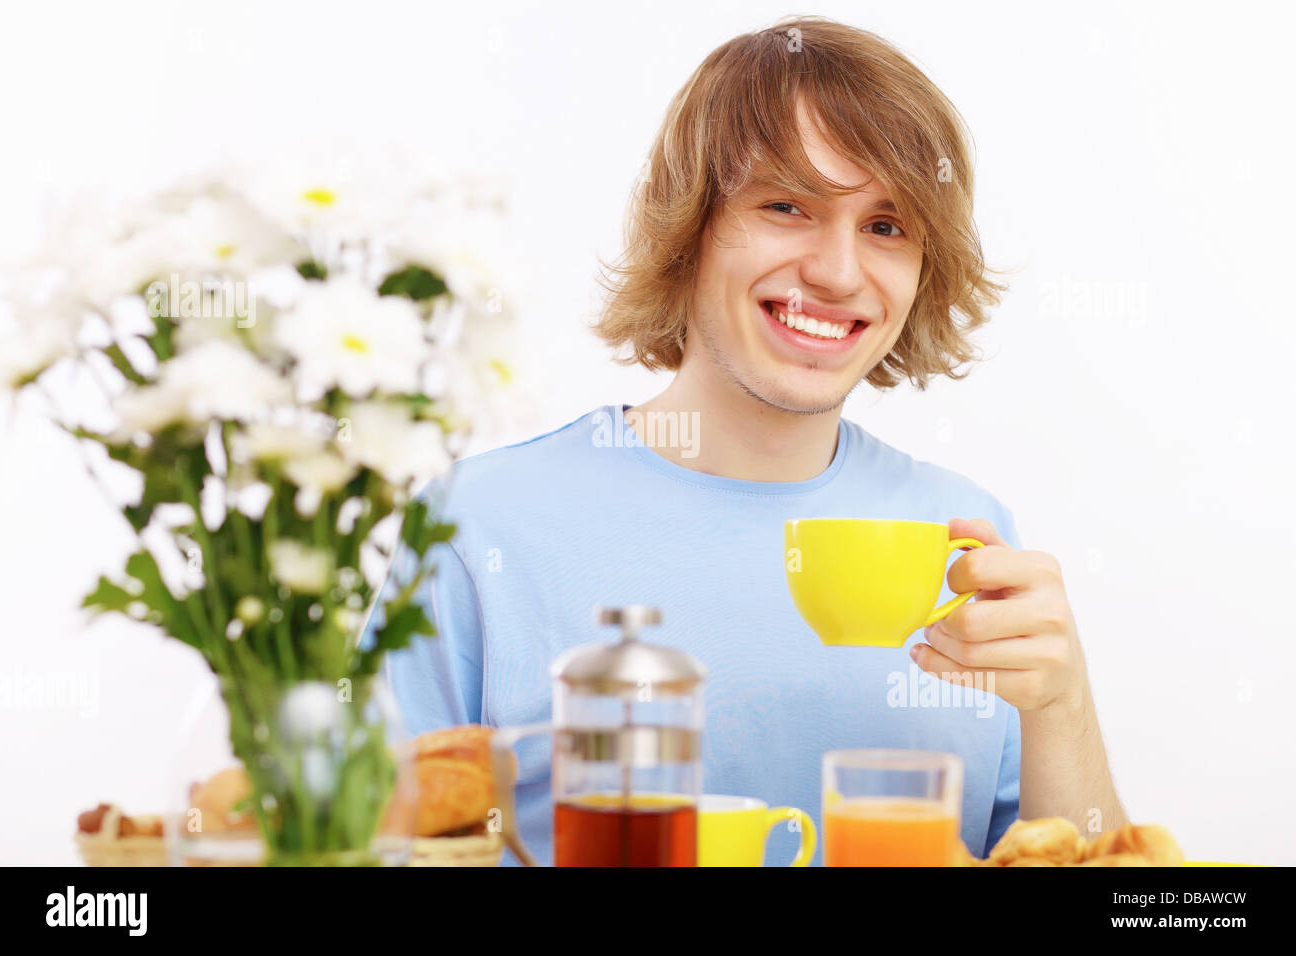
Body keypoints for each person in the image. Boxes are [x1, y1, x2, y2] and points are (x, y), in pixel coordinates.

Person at [366, 15, 1126, 866]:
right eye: (786, 205)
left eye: (886, 226)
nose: (838, 273)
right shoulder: (478, 525)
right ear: (688, 231)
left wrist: (1062, 710)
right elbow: (353, 846)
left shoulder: (967, 539)